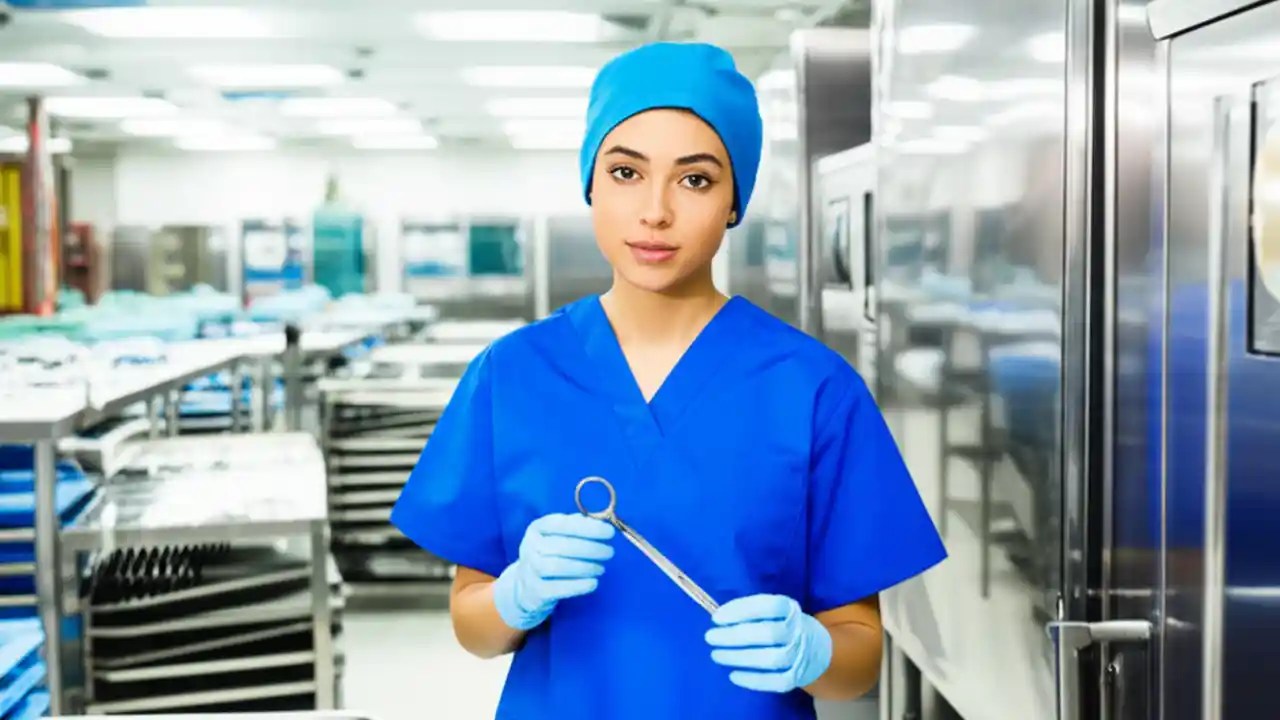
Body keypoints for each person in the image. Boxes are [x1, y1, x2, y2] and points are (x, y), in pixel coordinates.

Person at [390, 41, 946, 719]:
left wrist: (813, 653)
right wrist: (515, 596)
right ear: (591, 184)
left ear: (734, 201)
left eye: (695, 180)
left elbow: (859, 658)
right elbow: (472, 625)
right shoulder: (510, 376)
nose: (654, 211)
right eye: (626, 172)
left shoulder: (814, 390)